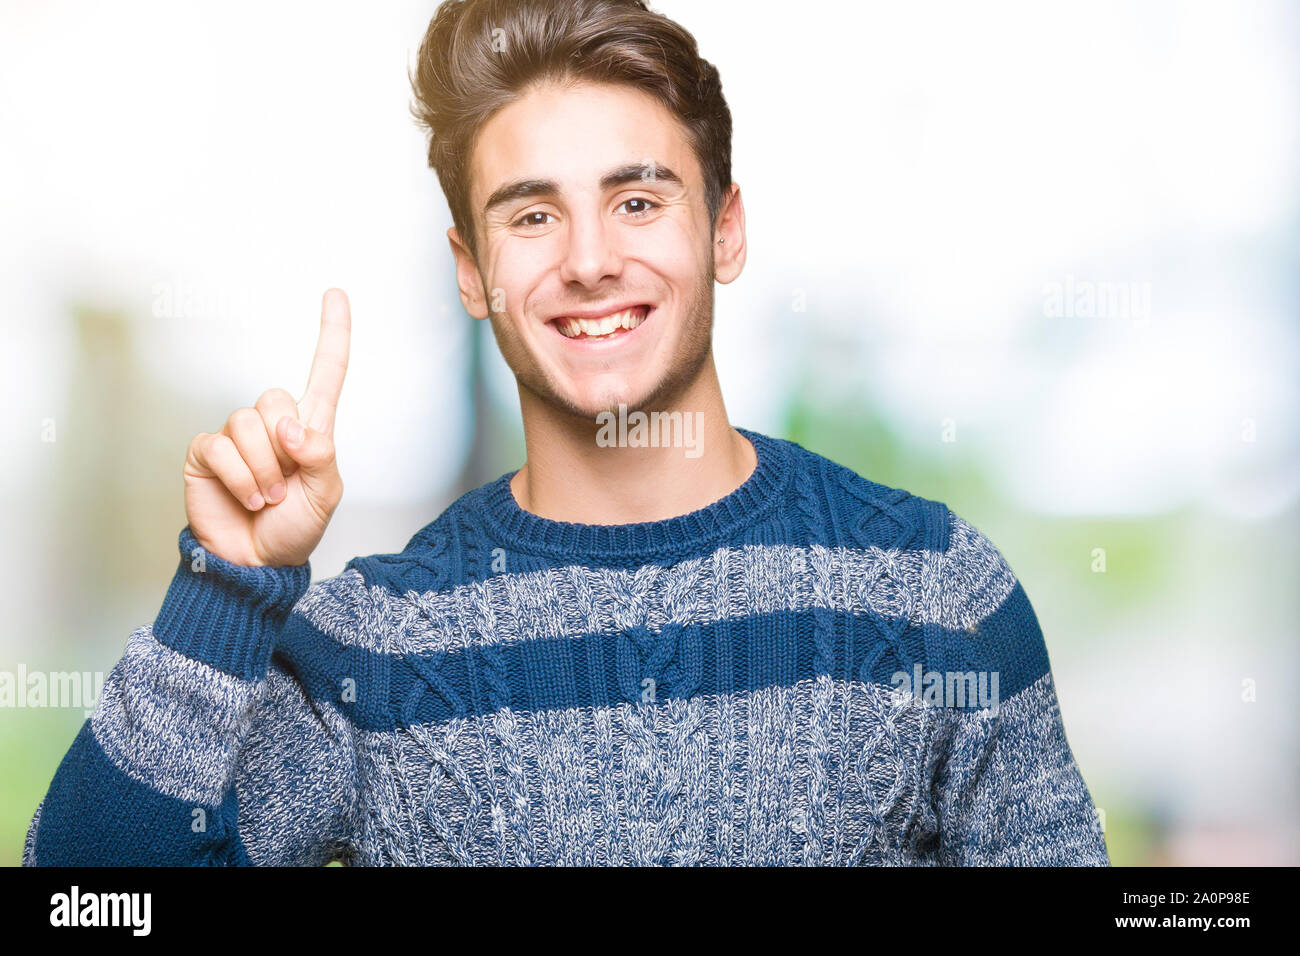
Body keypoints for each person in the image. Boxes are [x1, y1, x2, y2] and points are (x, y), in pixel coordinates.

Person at [23, 0, 1108, 866]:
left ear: (724, 229)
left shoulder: (933, 591)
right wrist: (224, 587)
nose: (588, 258)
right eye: (532, 213)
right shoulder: (377, 643)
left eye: (638, 200)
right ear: (471, 272)